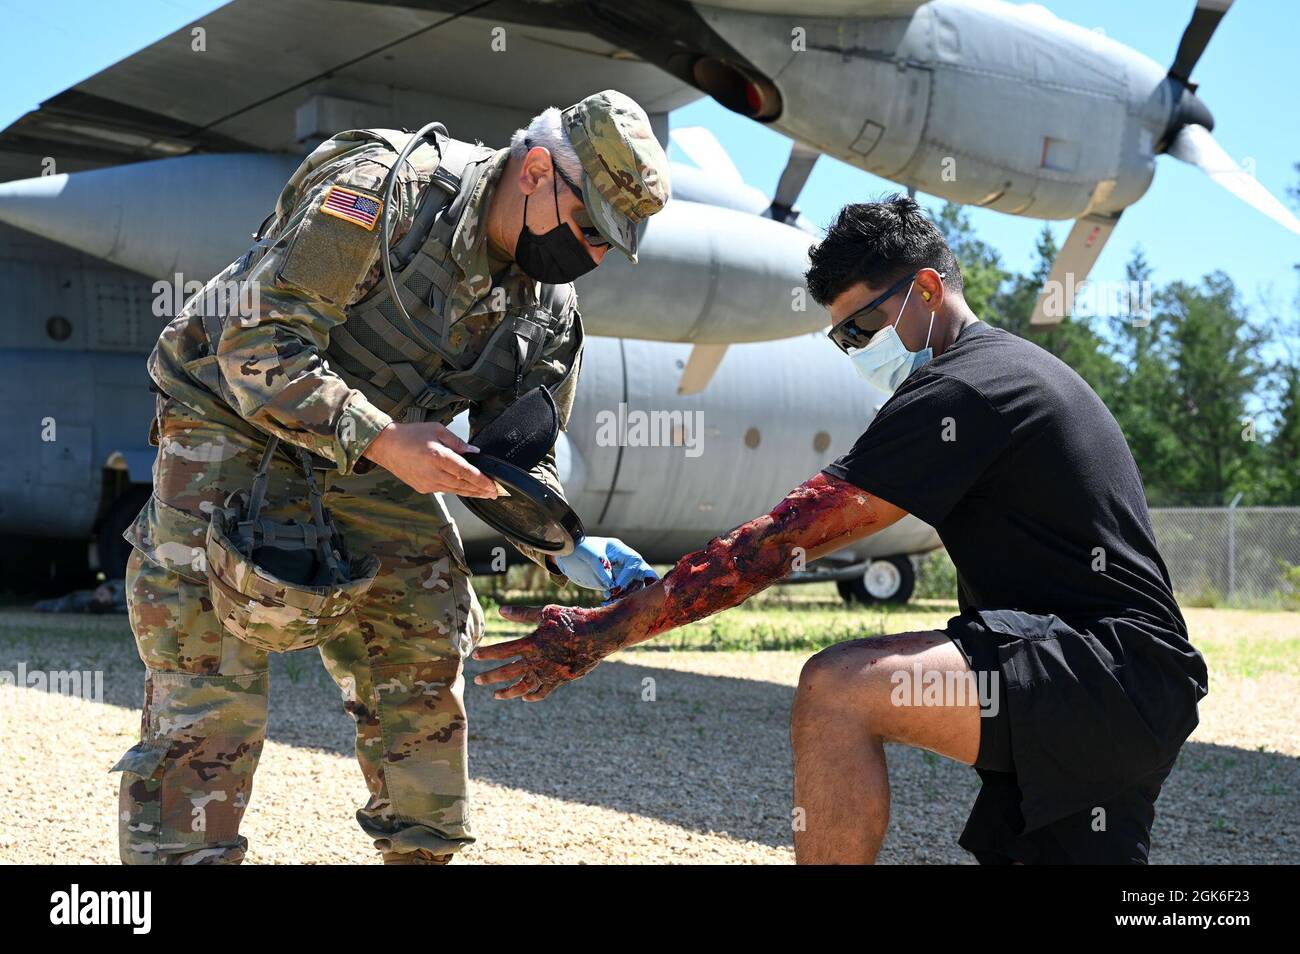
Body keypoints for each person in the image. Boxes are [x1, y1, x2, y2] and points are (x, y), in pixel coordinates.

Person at [475, 195, 1208, 865]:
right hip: (1116, 683)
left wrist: (608, 630)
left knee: (839, 689)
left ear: (926, 290)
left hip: (1101, 674)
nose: (858, 351)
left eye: (862, 327)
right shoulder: (1003, 372)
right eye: (841, 340)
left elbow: (775, 546)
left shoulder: (963, 388)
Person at [113, 90, 670, 864]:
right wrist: (381, 441)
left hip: (380, 459)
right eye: (589, 230)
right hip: (232, 428)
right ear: (538, 170)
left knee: (425, 655)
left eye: (611, 244)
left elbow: (517, 458)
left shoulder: (547, 312)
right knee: (209, 691)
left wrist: (562, 541)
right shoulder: (389, 191)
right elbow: (257, 346)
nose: (594, 256)